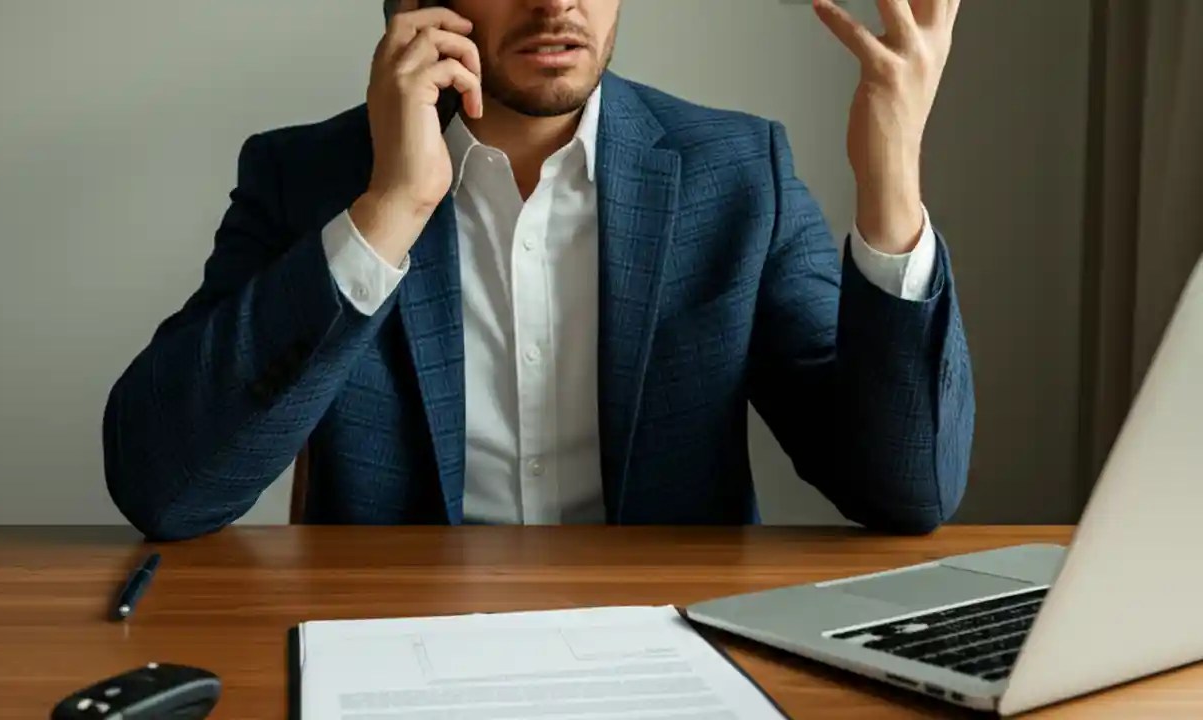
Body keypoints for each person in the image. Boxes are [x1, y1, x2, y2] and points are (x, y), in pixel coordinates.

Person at [103, 0, 973, 541]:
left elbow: (904, 490)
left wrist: (891, 178)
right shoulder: (306, 179)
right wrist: (390, 209)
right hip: (395, 651)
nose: (558, 3)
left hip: (660, 656)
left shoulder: (739, 175)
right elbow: (165, 491)